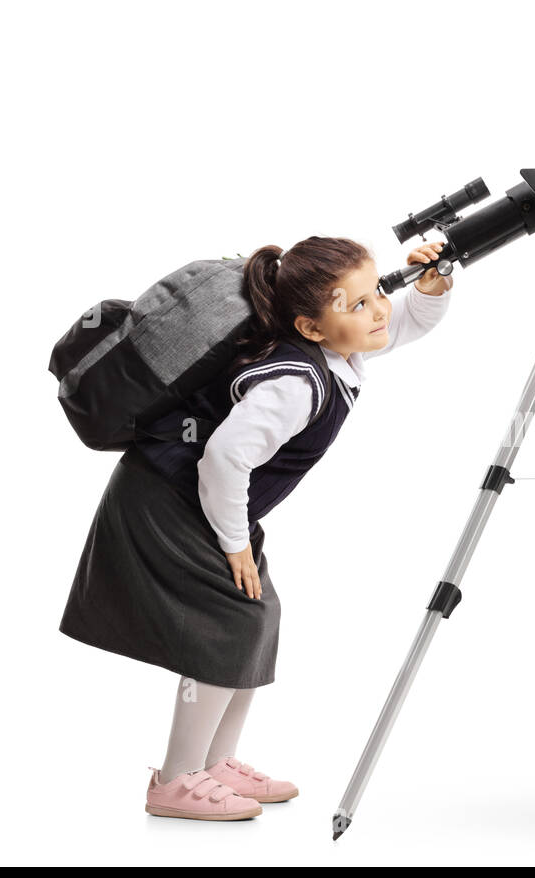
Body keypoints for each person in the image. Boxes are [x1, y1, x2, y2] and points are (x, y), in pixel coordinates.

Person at [58, 237, 453, 820]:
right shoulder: (294, 384)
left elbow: (403, 326)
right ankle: (175, 781)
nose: (380, 311)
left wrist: (433, 289)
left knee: (253, 619)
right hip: (165, 498)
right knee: (231, 624)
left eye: (377, 294)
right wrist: (236, 543)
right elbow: (223, 459)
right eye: (361, 304)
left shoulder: (336, 349)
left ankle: (215, 763)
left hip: (206, 502)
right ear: (311, 327)